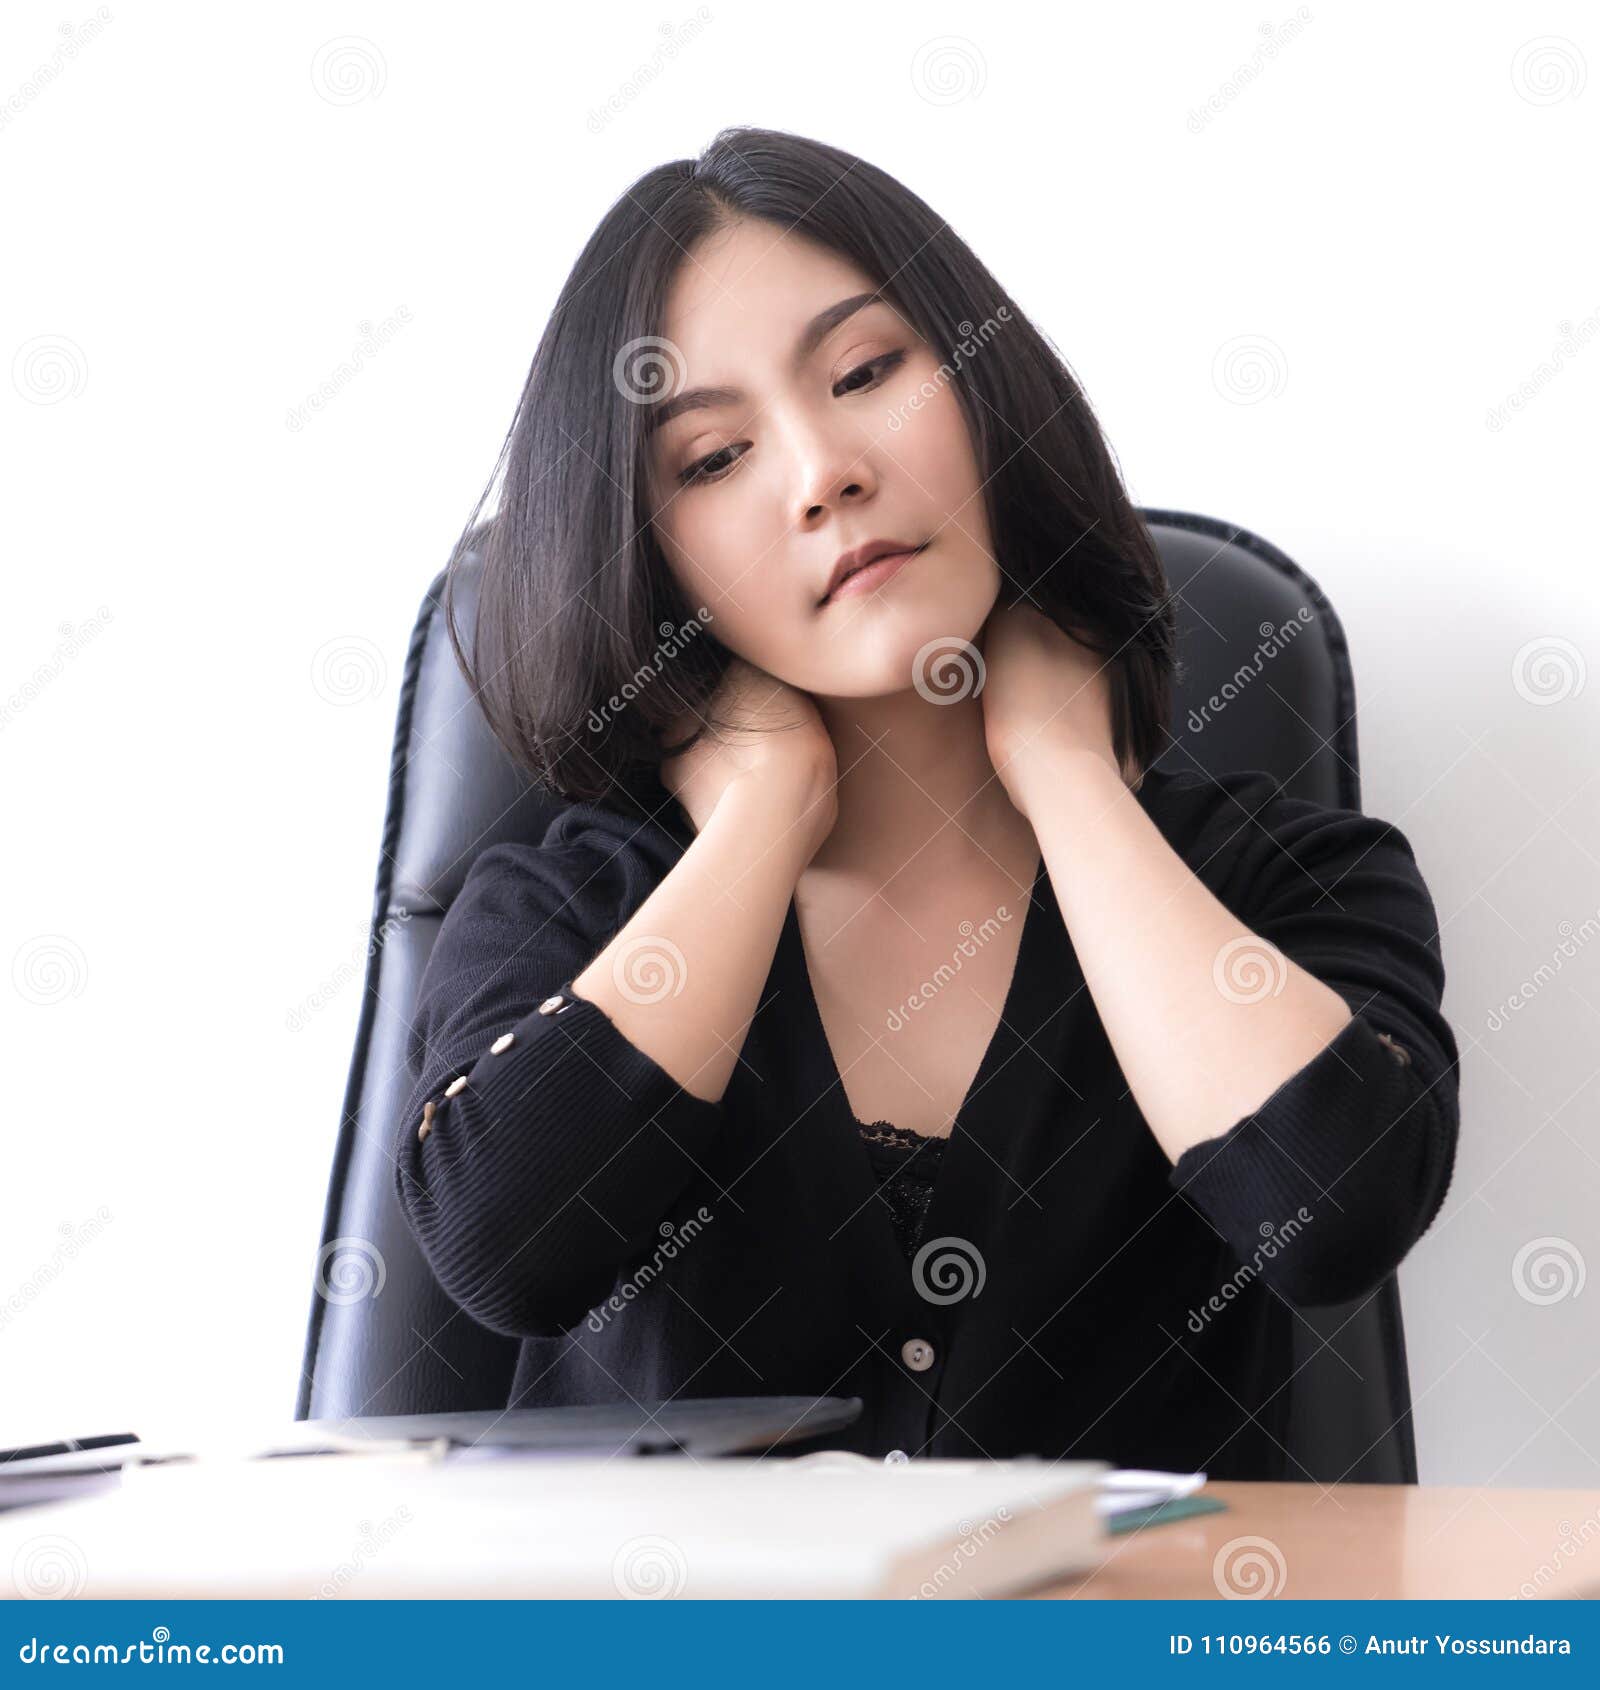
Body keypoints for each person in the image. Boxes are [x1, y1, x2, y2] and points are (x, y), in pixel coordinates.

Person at [392, 126, 1460, 1476]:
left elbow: (1331, 1211)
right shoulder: (564, 908)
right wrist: (764, 809)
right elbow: (506, 1246)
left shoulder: (1288, 878)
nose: (822, 470)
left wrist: (1069, 779)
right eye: (714, 456)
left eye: (866, 371)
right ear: (652, 561)